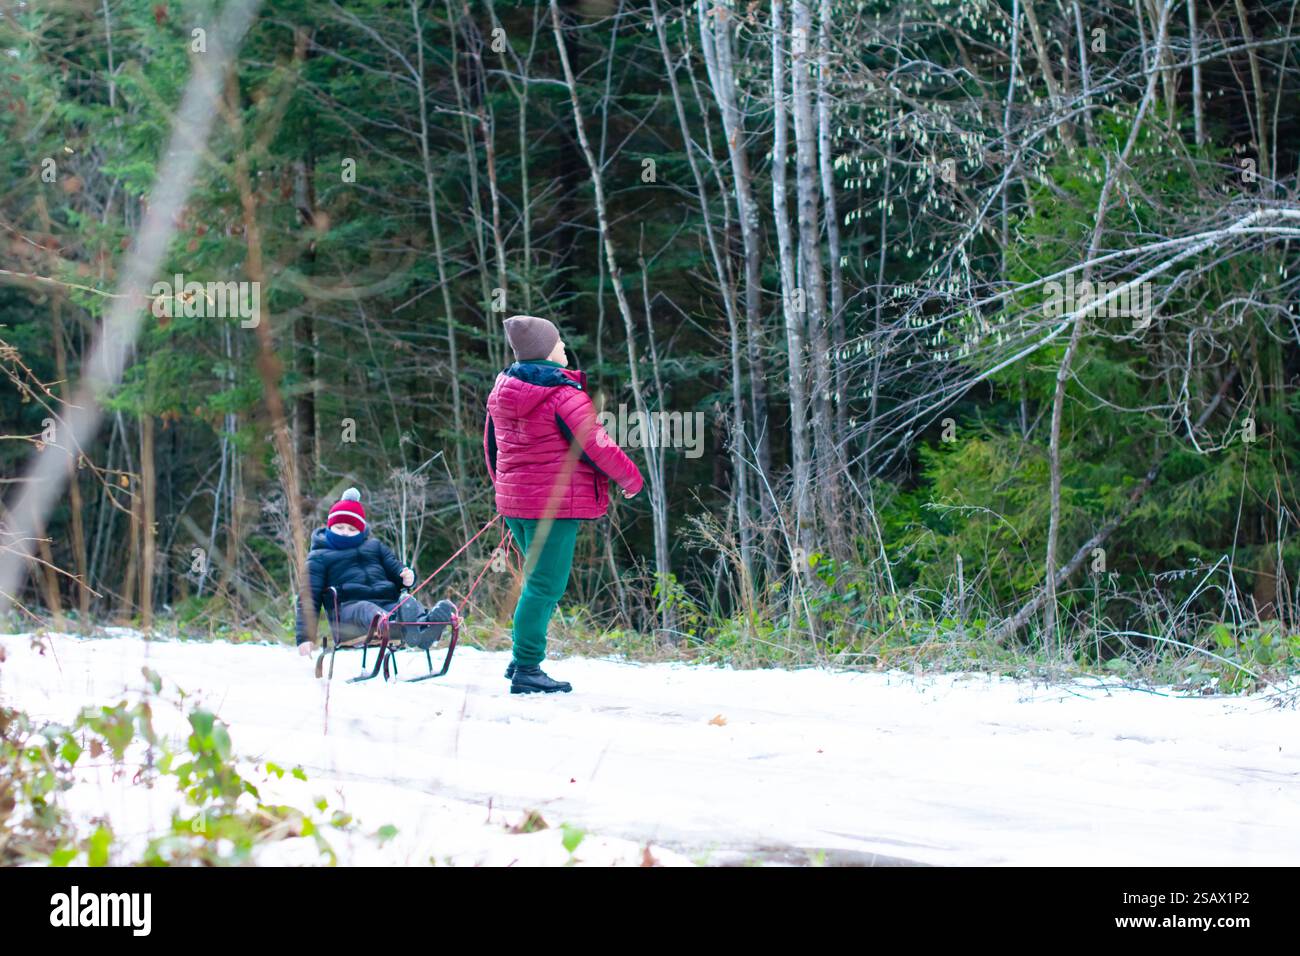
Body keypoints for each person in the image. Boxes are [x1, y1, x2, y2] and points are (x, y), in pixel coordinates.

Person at [484, 315, 644, 694]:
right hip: (551, 508)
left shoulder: (504, 389)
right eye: (559, 344)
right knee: (545, 586)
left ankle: (521, 658)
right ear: (546, 352)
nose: (565, 349)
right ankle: (527, 668)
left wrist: (504, 488)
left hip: (517, 505)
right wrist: (630, 478)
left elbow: (491, 447)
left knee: (536, 581)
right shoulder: (562, 395)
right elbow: (595, 444)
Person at [294, 487, 450, 656]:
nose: (345, 533)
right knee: (367, 609)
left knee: (406, 602)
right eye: (340, 527)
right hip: (348, 614)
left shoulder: (375, 547)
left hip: (386, 603)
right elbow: (308, 599)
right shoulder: (319, 556)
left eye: (352, 529)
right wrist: (305, 637)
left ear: (361, 530)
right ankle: (395, 625)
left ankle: (424, 627)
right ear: (330, 526)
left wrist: (407, 578)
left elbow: (396, 569)